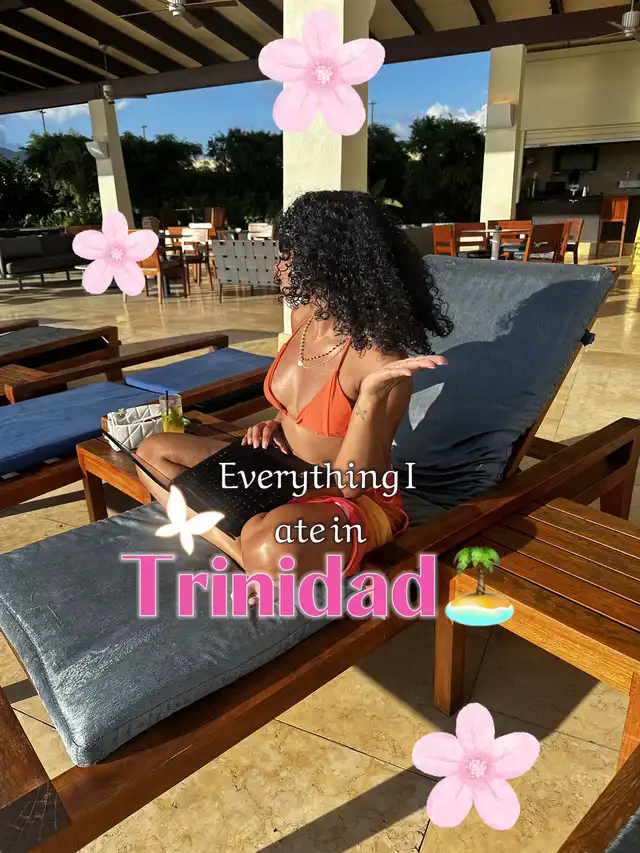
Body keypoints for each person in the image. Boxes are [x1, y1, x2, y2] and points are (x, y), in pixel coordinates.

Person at [136, 190, 453, 595]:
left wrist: (372, 398)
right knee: (153, 453)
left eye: (289, 255)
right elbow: (302, 403)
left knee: (273, 546)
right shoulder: (302, 317)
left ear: (329, 262)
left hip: (346, 496)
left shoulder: (379, 360)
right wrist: (276, 423)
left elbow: (354, 482)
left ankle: (252, 546)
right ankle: (242, 550)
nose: (278, 265)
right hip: (278, 468)